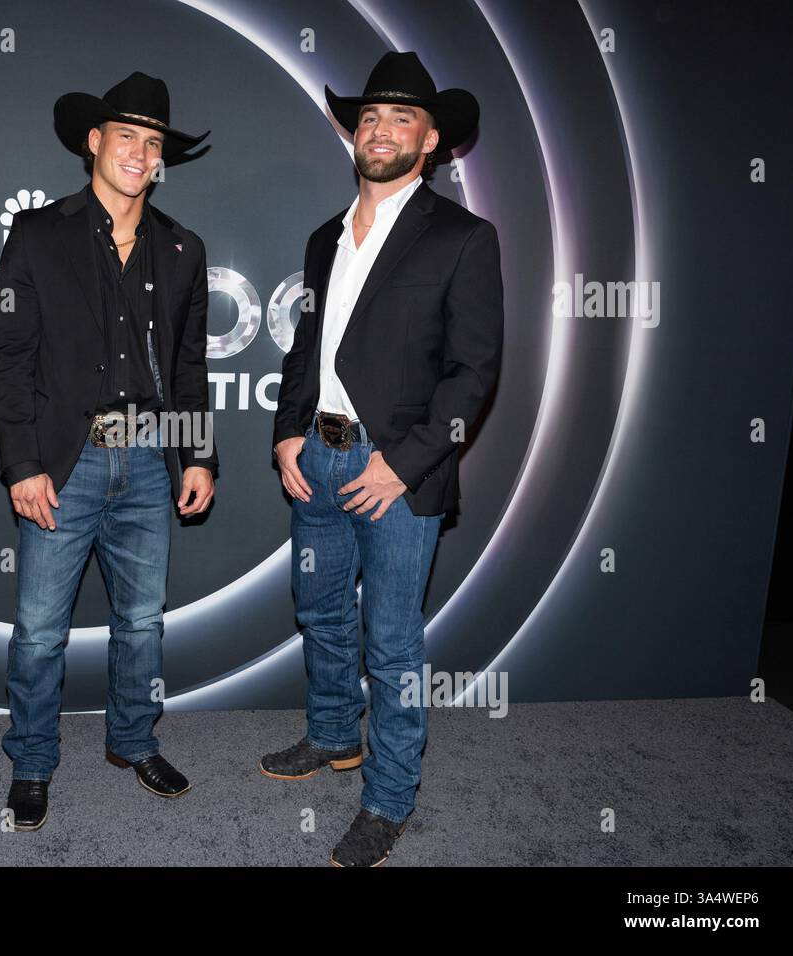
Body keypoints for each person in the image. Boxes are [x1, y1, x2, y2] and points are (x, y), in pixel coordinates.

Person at [262, 52, 503, 866]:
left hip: (398, 473)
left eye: (402, 118)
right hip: (316, 463)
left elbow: (474, 372)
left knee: (392, 641)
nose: (380, 129)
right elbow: (309, 346)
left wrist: (403, 463)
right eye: (369, 117)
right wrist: (286, 431)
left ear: (431, 142)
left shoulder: (464, 238)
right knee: (320, 612)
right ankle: (334, 737)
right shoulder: (325, 238)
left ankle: (390, 798)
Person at [0, 72, 217, 831]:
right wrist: (22, 465)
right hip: (67, 460)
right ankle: (31, 761)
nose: (140, 154)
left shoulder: (182, 248)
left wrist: (199, 457)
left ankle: (131, 740)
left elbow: (188, 367)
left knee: (143, 622)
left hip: (150, 456)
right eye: (127, 137)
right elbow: (10, 357)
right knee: (42, 627)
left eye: (153, 144)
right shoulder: (39, 234)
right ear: (95, 141)